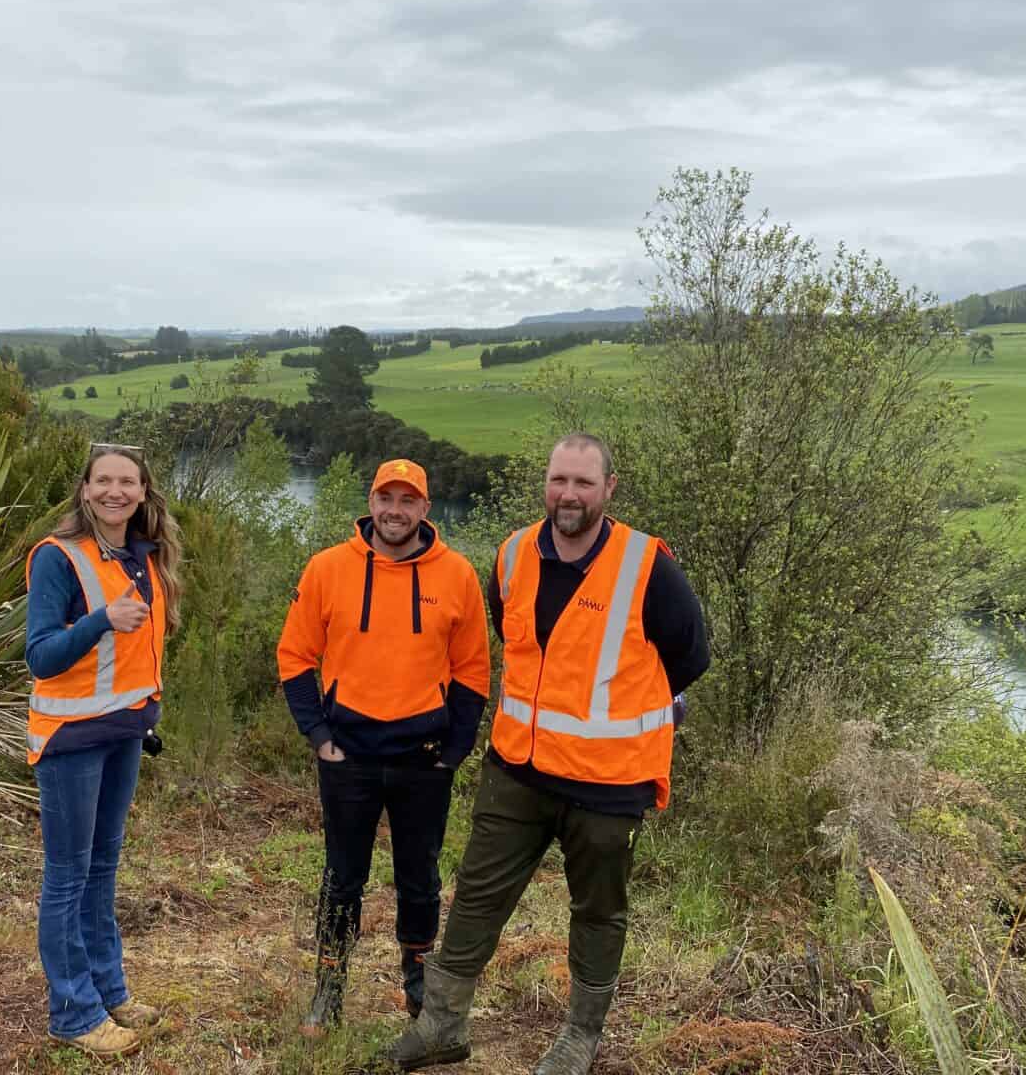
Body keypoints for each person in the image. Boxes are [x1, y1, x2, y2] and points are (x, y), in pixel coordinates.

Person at [388, 433, 709, 1074]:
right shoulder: (512, 554)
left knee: (597, 909)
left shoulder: (648, 567)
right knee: (477, 894)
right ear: (547, 482)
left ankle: (580, 1037)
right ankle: (442, 1026)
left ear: (609, 490)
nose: (569, 494)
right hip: (519, 770)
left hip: (608, 784)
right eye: (559, 480)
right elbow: (514, 635)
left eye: (584, 483)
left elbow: (690, 657)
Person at [277, 458, 491, 1036]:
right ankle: (329, 987)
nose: (395, 511)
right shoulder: (328, 568)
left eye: (408, 500)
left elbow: (474, 669)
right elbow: (295, 655)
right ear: (370, 502)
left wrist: (457, 747)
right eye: (385, 498)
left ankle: (418, 985)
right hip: (348, 754)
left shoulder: (458, 575)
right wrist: (319, 736)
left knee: (419, 875)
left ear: (425, 508)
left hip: (424, 756)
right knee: (342, 876)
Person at [24, 443, 183, 1057]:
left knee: (102, 869)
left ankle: (108, 991)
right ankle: (73, 1014)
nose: (116, 491)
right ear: (85, 490)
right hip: (71, 740)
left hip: (124, 732)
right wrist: (100, 622)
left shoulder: (144, 556)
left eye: (128, 482)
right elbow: (40, 655)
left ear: (143, 492)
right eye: (104, 481)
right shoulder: (59, 558)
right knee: (67, 876)